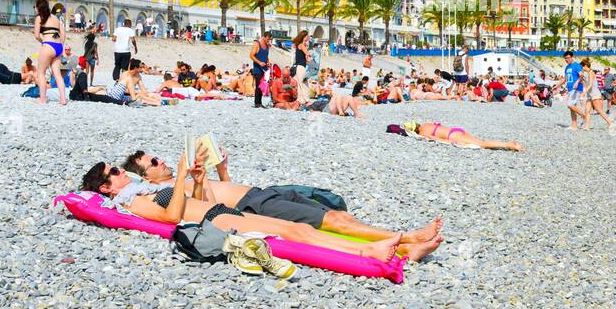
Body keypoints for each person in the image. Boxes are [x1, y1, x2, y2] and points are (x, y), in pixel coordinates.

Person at [124, 147, 442, 261]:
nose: (160, 159)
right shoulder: (166, 189)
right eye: (152, 161)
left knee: (338, 215)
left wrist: (218, 170)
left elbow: (211, 195)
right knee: (336, 223)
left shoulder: (177, 182)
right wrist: (187, 177)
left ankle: (404, 246)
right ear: (145, 174)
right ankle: (407, 240)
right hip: (254, 206)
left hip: (262, 193)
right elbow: (193, 211)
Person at [33, 0, 69, 105]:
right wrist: (61, 46)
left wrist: (43, 41)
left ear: (38, 7)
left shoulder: (39, 18)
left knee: (41, 73)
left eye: (35, 7)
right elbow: (63, 34)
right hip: (58, 47)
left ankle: (43, 99)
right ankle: (63, 99)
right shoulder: (55, 18)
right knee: (57, 74)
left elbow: (36, 35)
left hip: (48, 45)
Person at [398, 121, 523, 151]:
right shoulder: (427, 124)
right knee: (478, 141)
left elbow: (438, 139)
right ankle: (508, 144)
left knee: (481, 144)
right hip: (455, 130)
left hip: (453, 136)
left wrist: (449, 142)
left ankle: (508, 145)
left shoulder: (423, 133)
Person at [581, 58, 613, 130]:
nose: (582, 68)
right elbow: (585, 83)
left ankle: (610, 123)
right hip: (590, 95)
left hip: (595, 94)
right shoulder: (586, 73)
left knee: (599, 110)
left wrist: (584, 92)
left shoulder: (591, 72)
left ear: (586, 66)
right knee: (587, 110)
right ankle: (586, 126)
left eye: (582, 66)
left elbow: (591, 84)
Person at [249, 30, 272, 108]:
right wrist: (259, 62)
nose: (269, 41)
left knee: (262, 86)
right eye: (268, 39)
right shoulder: (257, 44)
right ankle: (257, 103)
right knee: (258, 85)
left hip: (265, 69)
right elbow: (251, 55)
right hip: (257, 68)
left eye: (270, 39)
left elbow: (266, 56)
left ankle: (260, 103)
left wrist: (268, 62)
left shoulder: (267, 46)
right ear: (264, 37)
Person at [563, 51, 585, 130]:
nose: (566, 60)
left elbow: (581, 75)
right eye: (565, 58)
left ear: (572, 57)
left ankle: (583, 116)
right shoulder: (567, 67)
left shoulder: (576, 65)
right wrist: (557, 86)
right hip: (570, 88)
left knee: (570, 105)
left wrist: (577, 82)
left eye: (568, 58)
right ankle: (574, 125)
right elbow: (565, 79)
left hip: (576, 88)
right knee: (572, 107)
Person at [111, 17, 137, 82]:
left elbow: (113, 39)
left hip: (117, 51)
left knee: (117, 65)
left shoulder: (117, 29)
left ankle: (116, 79)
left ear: (124, 24)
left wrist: (118, 40)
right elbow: (133, 40)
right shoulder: (130, 30)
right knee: (124, 67)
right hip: (126, 51)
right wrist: (135, 47)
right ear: (129, 24)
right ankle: (123, 80)